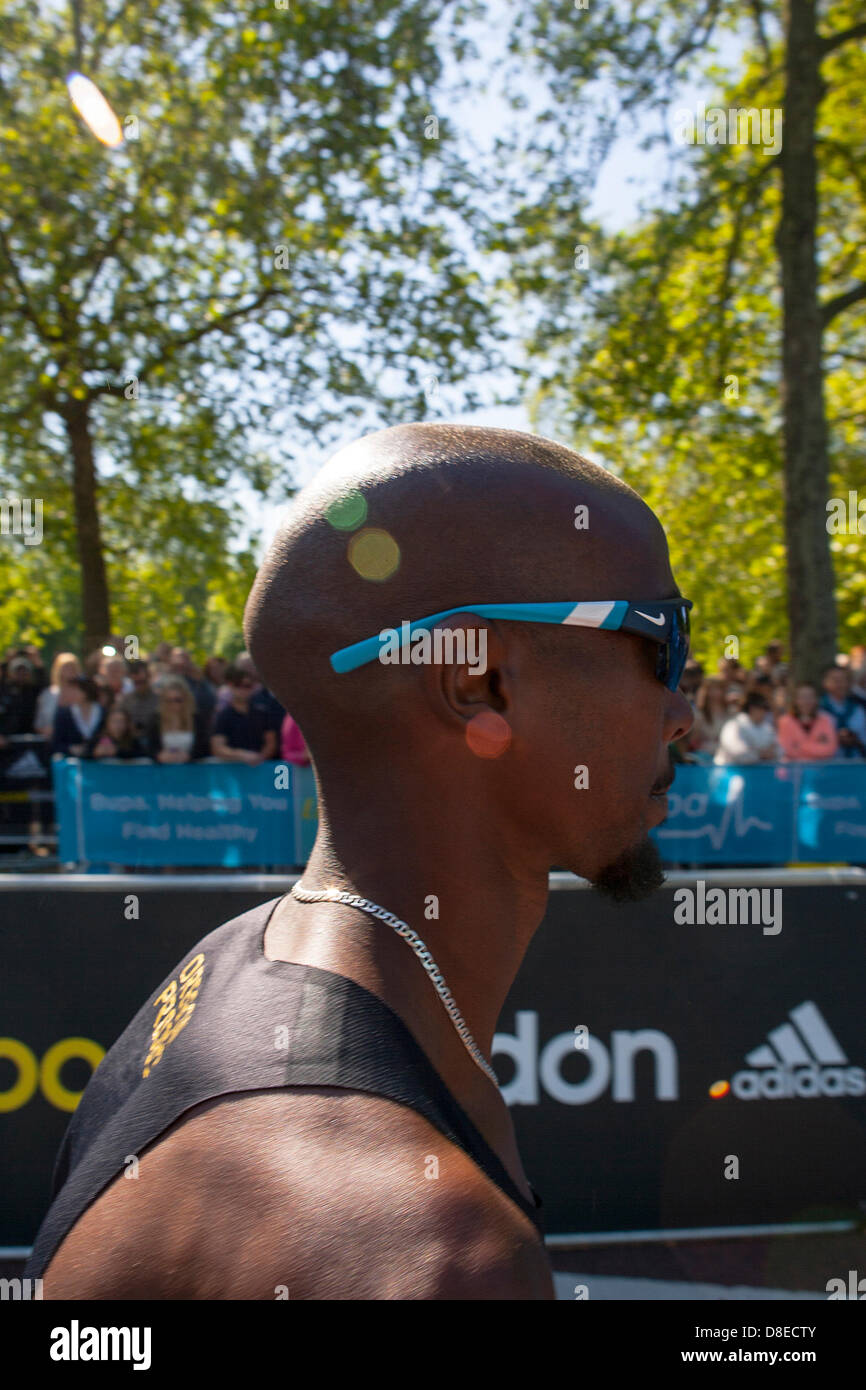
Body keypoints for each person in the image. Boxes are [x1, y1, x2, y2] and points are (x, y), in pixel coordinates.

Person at [28, 423, 693, 1300]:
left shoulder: (232, 967)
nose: (681, 709)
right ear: (479, 682)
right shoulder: (427, 1253)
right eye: (664, 641)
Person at [210, 665, 278, 763]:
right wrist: (241, 755)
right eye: (237, 684)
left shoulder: (263, 713)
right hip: (232, 771)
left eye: (247, 686)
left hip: (261, 769)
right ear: (230, 686)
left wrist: (259, 758)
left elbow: (271, 743)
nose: (242, 689)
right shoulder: (223, 716)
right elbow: (218, 747)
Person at [145, 676, 208, 764]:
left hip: (192, 771)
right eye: (169, 700)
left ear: (186, 699)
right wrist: (158, 755)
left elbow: (205, 747)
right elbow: (149, 747)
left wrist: (190, 756)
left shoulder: (196, 719)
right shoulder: (156, 720)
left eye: (178, 700)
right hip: (164, 771)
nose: (173, 704)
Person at [777, 683, 838, 762]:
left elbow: (830, 749)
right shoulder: (785, 721)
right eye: (803, 697)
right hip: (794, 771)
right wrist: (817, 746)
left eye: (810, 697)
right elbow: (787, 749)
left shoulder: (826, 720)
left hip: (821, 770)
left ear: (816, 699)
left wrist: (800, 746)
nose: (806, 701)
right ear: (795, 700)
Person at [714, 690, 779, 765]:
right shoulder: (733, 726)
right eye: (762, 708)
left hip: (758, 773)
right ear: (752, 708)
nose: (764, 712)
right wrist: (761, 754)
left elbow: (779, 751)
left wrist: (770, 753)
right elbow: (739, 754)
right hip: (730, 773)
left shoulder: (767, 728)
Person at [820, 664, 866, 759]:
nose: (839, 684)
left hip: (854, 764)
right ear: (825, 682)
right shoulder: (818, 709)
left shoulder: (857, 709)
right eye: (835, 680)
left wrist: (854, 740)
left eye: (843, 680)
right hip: (825, 765)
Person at [50, 677, 105, 757]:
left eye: (76, 690)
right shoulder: (63, 714)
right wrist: (70, 749)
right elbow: (56, 744)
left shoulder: (104, 713)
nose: (72, 693)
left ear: (87, 691)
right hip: (72, 764)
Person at [34, 653, 82, 739]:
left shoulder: (83, 694)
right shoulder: (48, 694)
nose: (70, 670)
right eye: (66, 667)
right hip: (52, 741)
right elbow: (39, 723)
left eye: (72, 667)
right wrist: (46, 731)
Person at [120, 660, 159, 738]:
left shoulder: (160, 699)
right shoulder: (126, 700)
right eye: (136, 683)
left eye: (142, 682)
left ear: (149, 677)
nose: (140, 686)